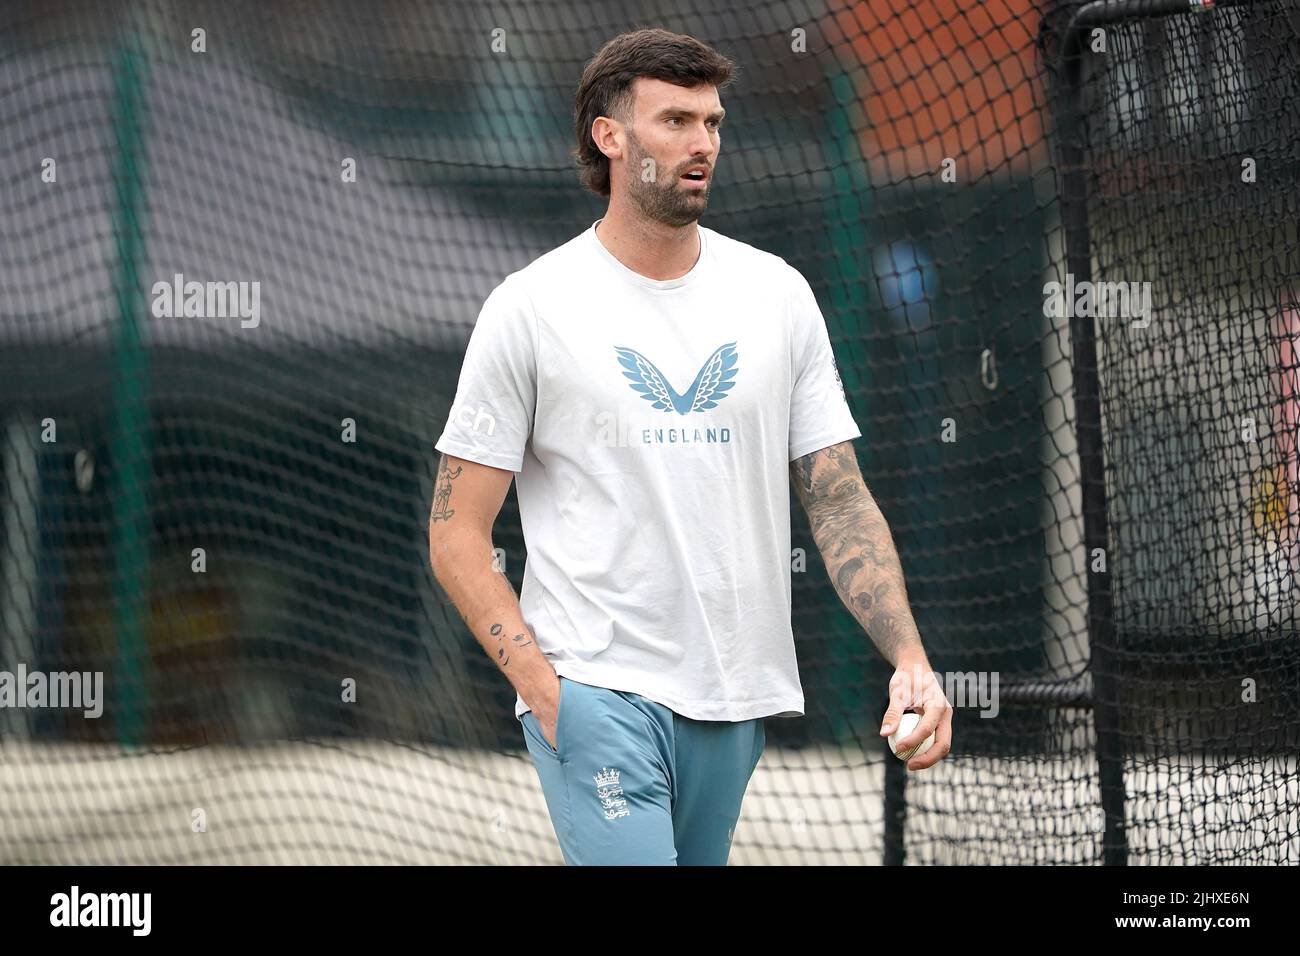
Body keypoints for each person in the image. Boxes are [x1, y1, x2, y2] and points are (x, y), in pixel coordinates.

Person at [429, 27, 951, 866]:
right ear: (610, 135)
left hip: (736, 699)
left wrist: (910, 658)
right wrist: (545, 690)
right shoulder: (529, 307)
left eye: (712, 123)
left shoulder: (778, 295)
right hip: (594, 693)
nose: (701, 143)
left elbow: (838, 495)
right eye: (674, 121)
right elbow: (457, 531)